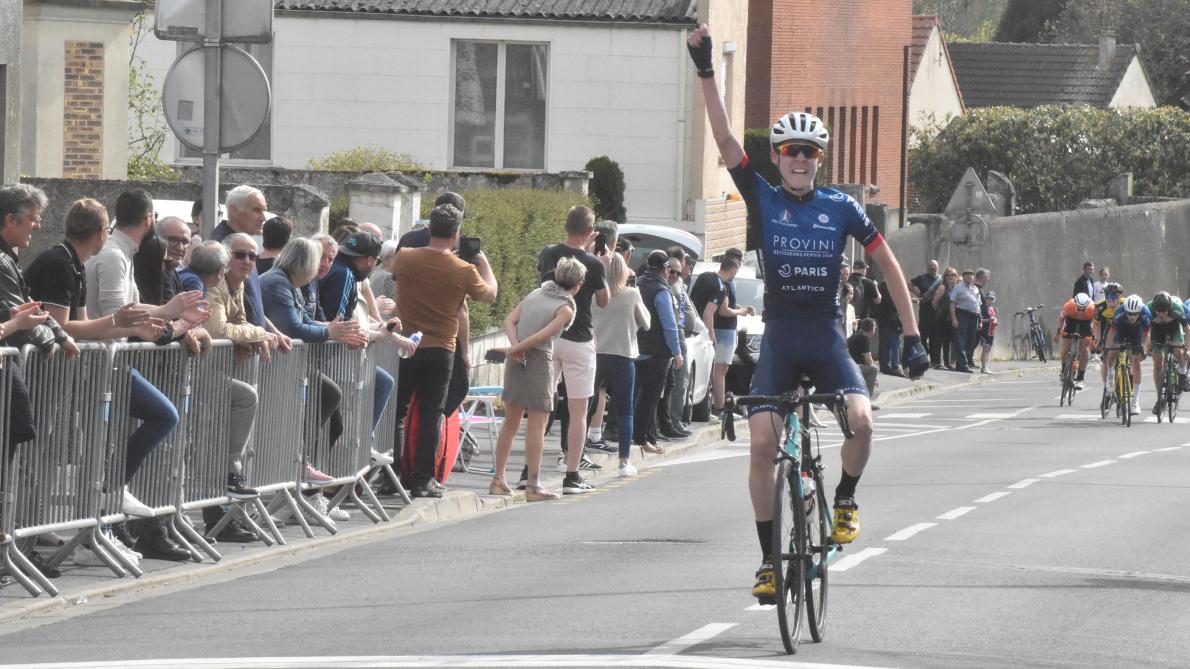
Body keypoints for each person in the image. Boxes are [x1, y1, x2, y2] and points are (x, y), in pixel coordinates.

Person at [686, 23, 928, 603]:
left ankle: (844, 497)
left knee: (864, 423)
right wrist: (705, 73)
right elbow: (722, 142)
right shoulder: (764, 196)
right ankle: (769, 558)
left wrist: (914, 335)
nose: (799, 160)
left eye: (809, 152)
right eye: (791, 151)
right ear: (777, 156)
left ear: (820, 159)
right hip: (780, 338)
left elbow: (892, 268)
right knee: (762, 445)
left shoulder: (840, 207)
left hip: (825, 336)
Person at [84, 189, 211, 562]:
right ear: (150, 219)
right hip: (104, 362)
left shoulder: (121, 252)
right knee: (163, 415)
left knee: (121, 436)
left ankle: (105, 519)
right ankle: (112, 491)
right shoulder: (112, 254)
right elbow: (116, 315)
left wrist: (174, 317)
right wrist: (170, 313)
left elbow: (133, 311)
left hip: (115, 360)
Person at [392, 204, 498, 498]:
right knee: (431, 415)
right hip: (440, 348)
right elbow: (490, 295)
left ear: (429, 229)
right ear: (456, 233)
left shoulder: (404, 257)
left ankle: (394, 474)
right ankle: (423, 479)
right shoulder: (462, 270)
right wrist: (483, 264)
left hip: (406, 345)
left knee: (398, 414)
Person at [260, 238, 368, 485]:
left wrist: (336, 329)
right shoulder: (278, 283)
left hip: (289, 365)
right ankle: (296, 463)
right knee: (327, 394)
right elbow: (295, 329)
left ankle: (300, 461)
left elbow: (307, 321)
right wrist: (332, 332)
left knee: (329, 396)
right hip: (276, 365)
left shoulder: (290, 283)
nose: (323, 267)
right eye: (319, 260)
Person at [186, 239, 266, 542]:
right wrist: (259, 334)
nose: (247, 261)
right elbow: (220, 330)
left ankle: (223, 517)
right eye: (240, 255)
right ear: (225, 260)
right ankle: (228, 477)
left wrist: (245, 340)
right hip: (195, 373)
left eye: (252, 256)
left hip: (216, 372)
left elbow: (238, 322)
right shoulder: (215, 285)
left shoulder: (238, 284)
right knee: (244, 398)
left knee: (218, 440)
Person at [488, 258, 587, 501]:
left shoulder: (535, 293)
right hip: (539, 361)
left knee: (510, 423)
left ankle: (498, 478)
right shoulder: (565, 308)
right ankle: (533, 484)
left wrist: (514, 347)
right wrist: (517, 348)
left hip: (516, 359)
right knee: (537, 424)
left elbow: (510, 320)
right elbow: (543, 336)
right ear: (578, 285)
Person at [532, 205, 609, 494]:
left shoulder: (549, 253)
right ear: (590, 231)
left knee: (542, 404)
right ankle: (572, 474)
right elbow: (603, 301)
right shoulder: (594, 264)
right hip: (579, 337)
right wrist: (601, 260)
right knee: (578, 410)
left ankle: (531, 471)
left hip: (550, 335)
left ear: (566, 226)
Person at [589, 252, 650, 476]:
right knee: (625, 410)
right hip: (624, 355)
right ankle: (624, 461)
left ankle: (574, 453)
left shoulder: (594, 295)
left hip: (596, 354)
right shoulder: (632, 294)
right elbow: (647, 323)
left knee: (586, 406)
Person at [688, 253, 754, 414]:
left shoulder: (704, 277)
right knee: (720, 371)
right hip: (712, 332)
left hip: (694, 329)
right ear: (734, 268)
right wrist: (711, 336)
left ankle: (707, 406)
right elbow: (711, 313)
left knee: (707, 370)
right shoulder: (720, 285)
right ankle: (719, 407)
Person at [633, 251, 681, 455]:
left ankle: (645, 436)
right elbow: (669, 326)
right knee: (650, 397)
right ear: (665, 269)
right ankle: (643, 438)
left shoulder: (637, 284)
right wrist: (677, 352)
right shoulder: (662, 291)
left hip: (635, 348)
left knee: (636, 395)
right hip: (656, 352)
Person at [1105, 294, 1150, 416]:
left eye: (1134, 314)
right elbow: (1112, 331)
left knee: (1136, 364)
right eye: (1129, 313)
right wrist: (1108, 347)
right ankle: (1110, 375)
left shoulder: (1146, 314)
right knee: (1113, 351)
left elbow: (1147, 334)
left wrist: (1144, 348)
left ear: (1140, 311)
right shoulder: (1120, 313)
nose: (1131, 316)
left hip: (1137, 333)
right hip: (1121, 330)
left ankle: (1135, 402)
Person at [1147, 292, 1190, 414]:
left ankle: (1182, 370)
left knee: (1178, 351)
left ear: (1169, 308)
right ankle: (1159, 398)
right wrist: (1147, 345)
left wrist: (1188, 349)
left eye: (1164, 311)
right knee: (1157, 361)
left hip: (1174, 328)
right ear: (1154, 308)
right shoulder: (1148, 309)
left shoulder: (1177, 308)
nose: (1161, 314)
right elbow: (1145, 329)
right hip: (1156, 331)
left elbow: (1187, 330)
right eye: (1158, 312)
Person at [1054, 293, 1095, 390]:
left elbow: (1095, 325)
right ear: (1075, 305)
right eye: (1078, 308)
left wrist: (1093, 339)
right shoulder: (1068, 306)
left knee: (1084, 350)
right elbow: (1061, 320)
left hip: (1086, 323)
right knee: (1065, 349)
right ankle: (1064, 370)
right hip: (1071, 320)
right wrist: (1058, 334)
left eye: (1083, 309)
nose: (1080, 311)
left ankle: (1080, 378)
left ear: (1087, 306)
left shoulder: (1093, 309)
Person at [1093, 282, 1125, 389]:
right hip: (1109, 326)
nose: (1110, 299)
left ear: (1119, 297)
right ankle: (1107, 386)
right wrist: (1098, 338)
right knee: (1106, 358)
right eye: (1107, 296)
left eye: (1113, 296)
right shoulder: (1100, 307)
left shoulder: (1126, 304)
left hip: (1125, 327)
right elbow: (1096, 324)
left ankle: (1128, 374)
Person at [948, 269, 981, 373]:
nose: (969, 277)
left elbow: (978, 305)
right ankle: (963, 365)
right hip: (963, 315)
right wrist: (954, 318)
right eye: (967, 275)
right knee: (961, 340)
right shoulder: (958, 288)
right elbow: (952, 303)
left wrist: (980, 320)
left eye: (971, 276)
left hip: (974, 316)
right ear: (963, 276)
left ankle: (961, 363)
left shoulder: (975, 289)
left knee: (970, 341)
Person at [909, 260, 940, 357]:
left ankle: (935, 359)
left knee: (935, 336)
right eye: (930, 265)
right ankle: (924, 355)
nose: (932, 267)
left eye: (934, 265)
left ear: (937, 267)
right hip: (925, 310)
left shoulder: (941, 279)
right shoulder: (922, 278)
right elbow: (909, 284)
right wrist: (918, 293)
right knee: (923, 334)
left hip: (938, 311)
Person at [875, 280, 904, 376]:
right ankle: (895, 367)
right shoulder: (893, 290)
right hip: (893, 322)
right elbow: (895, 306)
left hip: (883, 322)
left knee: (886, 346)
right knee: (895, 346)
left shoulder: (881, 288)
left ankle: (886, 367)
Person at [931, 267, 958, 369]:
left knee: (948, 341)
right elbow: (934, 302)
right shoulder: (942, 287)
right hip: (941, 317)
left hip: (951, 318)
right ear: (945, 276)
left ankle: (948, 363)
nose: (950, 277)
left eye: (953, 275)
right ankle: (937, 362)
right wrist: (939, 312)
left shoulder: (955, 288)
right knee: (939, 340)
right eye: (948, 275)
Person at [847, 318, 879, 401]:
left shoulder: (857, 335)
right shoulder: (864, 338)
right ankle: (865, 401)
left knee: (869, 369)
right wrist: (874, 377)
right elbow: (869, 361)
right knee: (873, 369)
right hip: (852, 368)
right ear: (872, 329)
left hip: (849, 366)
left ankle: (859, 397)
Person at [978, 291, 998, 373]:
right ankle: (983, 367)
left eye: (991, 299)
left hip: (991, 332)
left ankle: (986, 366)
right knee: (985, 349)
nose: (990, 300)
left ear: (994, 300)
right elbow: (980, 320)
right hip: (984, 332)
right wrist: (989, 320)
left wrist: (996, 322)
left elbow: (995, 320)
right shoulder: (983, 308)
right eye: (988, 298)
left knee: (988, 349)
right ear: (985, 299)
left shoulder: (994, 309)